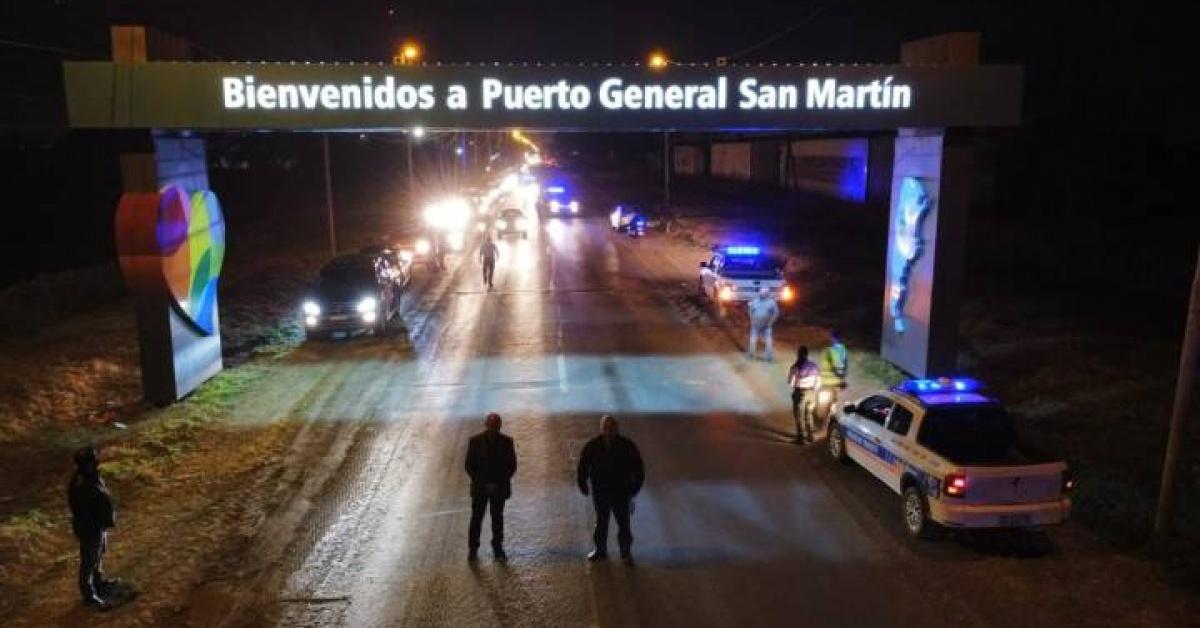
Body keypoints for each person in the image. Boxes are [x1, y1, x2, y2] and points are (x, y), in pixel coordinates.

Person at [577, 415, 645, 563]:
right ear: (601, 428)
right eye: (606, 428)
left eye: (611, 428)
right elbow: (583, 466)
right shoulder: (593, 446)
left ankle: (625, 552)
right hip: (601, 492)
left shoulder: (627, 446)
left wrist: (634, 489)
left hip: (621, 492)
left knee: (623, 523)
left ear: (616, 429)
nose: (608, 431)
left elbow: (638, 469)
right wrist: (582, 484)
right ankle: (600, 550)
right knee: (601, 522)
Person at [68, 446, 117, 609]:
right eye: (90, 462)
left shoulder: (90, 477)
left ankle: (98, 583)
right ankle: (89, 595)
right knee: (89, 561)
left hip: (97, 525)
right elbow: (83, 508)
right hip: (90, 527)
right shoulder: (80, 484)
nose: (94, 464)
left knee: (98, 554)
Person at [465, 412, 517, 561]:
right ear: (486, 425)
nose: (494, 429)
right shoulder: (475, 442)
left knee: (497, 519)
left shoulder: (507, 442)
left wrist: (496, 484)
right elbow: (469, 466)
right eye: (492, 426)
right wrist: (485, 484)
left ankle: (497, 548)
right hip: (483, 488)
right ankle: (473, 549)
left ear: (499, 426)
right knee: (477, 518)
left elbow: (511, 466)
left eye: (496, 426)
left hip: (497, 488)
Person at [787, 347, 821, 444]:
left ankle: (801, 438)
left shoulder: (795, 367)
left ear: (799, 354)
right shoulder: (814, 366)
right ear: (807, 354)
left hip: (800, 394)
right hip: (812, 394)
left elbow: (790, 382)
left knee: (799, 416)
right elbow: (818, 382)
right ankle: (810, 436)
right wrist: (814, 390)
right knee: (809, 414)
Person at [818, 328, 849, 414]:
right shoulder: (844, 350)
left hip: (826, 383)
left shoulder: (827, 351)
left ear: (832, 338)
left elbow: (824, 366)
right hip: (837, 382)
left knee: (821, 400)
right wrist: (842, 379)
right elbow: (845, 366)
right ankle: (833, 414)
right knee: (835, 401)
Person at [747, 287, 780, 361]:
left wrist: (771, 321)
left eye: (765, 293)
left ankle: (769, 357)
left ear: (768, 294)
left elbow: (776, 313)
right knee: (753, 339)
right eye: (761, 293)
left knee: (768, 340)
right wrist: (752, 319)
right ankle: (751, 354)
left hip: (767, 325)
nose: (763, 294)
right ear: (760, 293)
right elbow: (750, 311)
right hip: (755, 324)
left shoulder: (772, 302)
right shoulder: (755, 301)